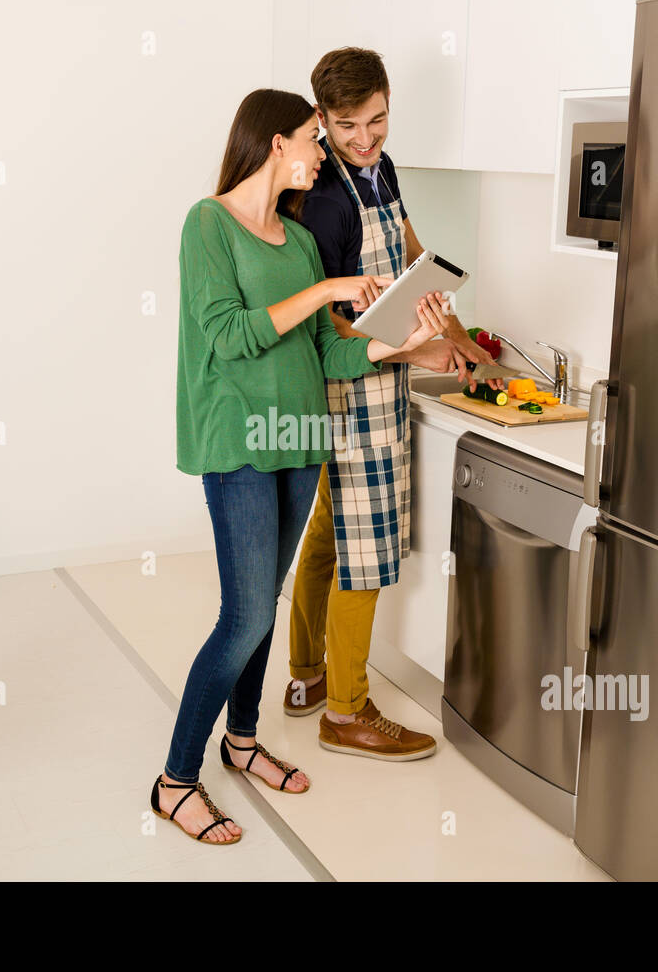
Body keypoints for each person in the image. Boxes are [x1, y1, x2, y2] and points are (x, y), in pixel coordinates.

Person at [155, 88, 452, 844]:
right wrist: (329, 290)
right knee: (246, 615)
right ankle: (175, 781)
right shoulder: (207, 225)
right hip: (239, 445)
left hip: (299, 442)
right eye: (315, 140)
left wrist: (410, 343)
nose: (323, 155)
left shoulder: (300, 240)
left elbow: (329, 351)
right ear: (275, 141)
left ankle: (243, 742)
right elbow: (228, 336)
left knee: (265, 606)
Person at [285, 47, 501, 759]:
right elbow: (331, 326)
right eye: (348, 128)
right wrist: (420, 349)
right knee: (367, 554)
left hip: (378, 383)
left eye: (378, 121)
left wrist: (460, 335)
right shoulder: (324, 198)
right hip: (351, 390)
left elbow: (408, 253)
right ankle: (347, 712)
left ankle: (307, 675)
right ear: (322, 119)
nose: (367, 139)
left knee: (328, 533)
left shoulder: (380, 169)